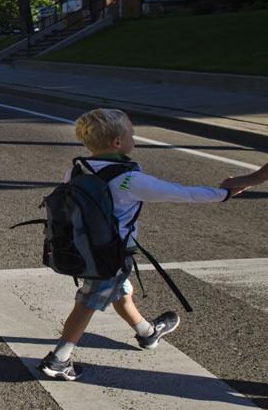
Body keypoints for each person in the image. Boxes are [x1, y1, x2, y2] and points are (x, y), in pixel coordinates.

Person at [38, 108, 234, 381]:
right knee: (88, 302)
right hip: (111, 256)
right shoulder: (129, 180)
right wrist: (224, 193)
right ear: (117, 142)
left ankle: (148, 333)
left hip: (83, 250)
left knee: (122, 293)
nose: (134, 137)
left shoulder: (77, 170)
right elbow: (182, 193)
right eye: (131, 132)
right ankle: (59, 360)